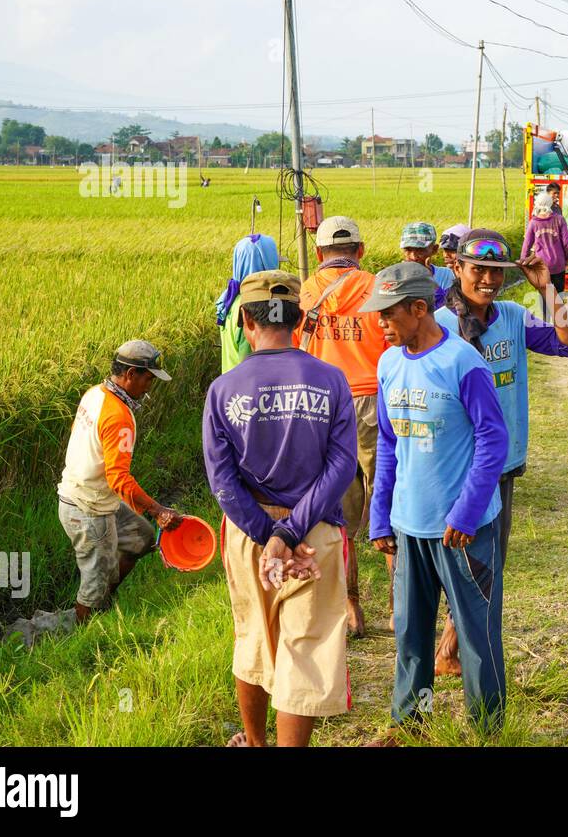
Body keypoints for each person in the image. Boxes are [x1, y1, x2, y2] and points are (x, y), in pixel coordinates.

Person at [203, 270, 357, 747]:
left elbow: (222, 481)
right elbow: (342, 466)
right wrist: (290, 534)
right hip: (315, 536)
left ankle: (254, 742)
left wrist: (266, 534)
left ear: (247, 321)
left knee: (251, 636)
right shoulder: (331, 380)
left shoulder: (223, 389)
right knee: (305, 647)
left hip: (249, 538)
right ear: (299, 318)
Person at [365, 262, 510, 741]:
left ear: (419, 308)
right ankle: (411, 725)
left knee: (475, 636)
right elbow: (388, 443)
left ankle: (488, 730)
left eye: (387, 315)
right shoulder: (388, 364)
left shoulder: (463, 363)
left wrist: (467, 512)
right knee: (410, 635)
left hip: (462, 530)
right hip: (410, 525)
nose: (379, 324)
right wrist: (381, 515)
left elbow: (493, 440)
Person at [433, 229, 568, 674]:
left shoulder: (514, 318)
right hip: (451, 462)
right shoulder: (437, 326)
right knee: (451, 555)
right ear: (456, 268)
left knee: (490, 559)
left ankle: (454, 646)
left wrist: (548, 289)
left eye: (496, 273)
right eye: (477, 270)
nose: (487, 280)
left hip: (501, 463)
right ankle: (448, 648)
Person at [294, 215, 388, 638]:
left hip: (324, 406)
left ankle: (351, 609)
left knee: (338, 516)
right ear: (360, 251)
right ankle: (403, 606)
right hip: (375, 401)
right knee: (391, 506)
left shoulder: (305, 293)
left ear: (318, 254)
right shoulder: (378, 287)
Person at [57, 340, 183, 624]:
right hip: (89, 508)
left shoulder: (95, 393)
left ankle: (105, 602)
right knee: (94, 584)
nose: (150, 385)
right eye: (148, 378)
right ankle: (84, 630)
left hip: (86, 494)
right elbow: (118, 478)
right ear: (130, 375)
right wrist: (158, 510)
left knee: (141, 538)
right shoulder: (119, 416)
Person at [216, 233, 280, 373]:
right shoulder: (254, 307)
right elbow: (250, 366)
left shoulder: (230, 299)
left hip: (231, 387)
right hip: (247, 390)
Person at [521, 183, 568, 305]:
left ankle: (544, 322)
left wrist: (523, 261)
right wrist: (567, 260)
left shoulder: (534, 222)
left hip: (541, 265)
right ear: (550, 203)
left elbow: (526, 244)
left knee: (544, 295)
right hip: (558, 264)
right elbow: (566, 243)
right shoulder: (559, 219)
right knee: (558, 296)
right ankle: (558, 322)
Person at [401, 221, 454, 308]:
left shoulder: (447, 276)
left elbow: (450, 312)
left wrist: (431, 282)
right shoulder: (391, 277)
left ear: (434, 249)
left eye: (420, 250)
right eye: (408, 250)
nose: (413, 257)